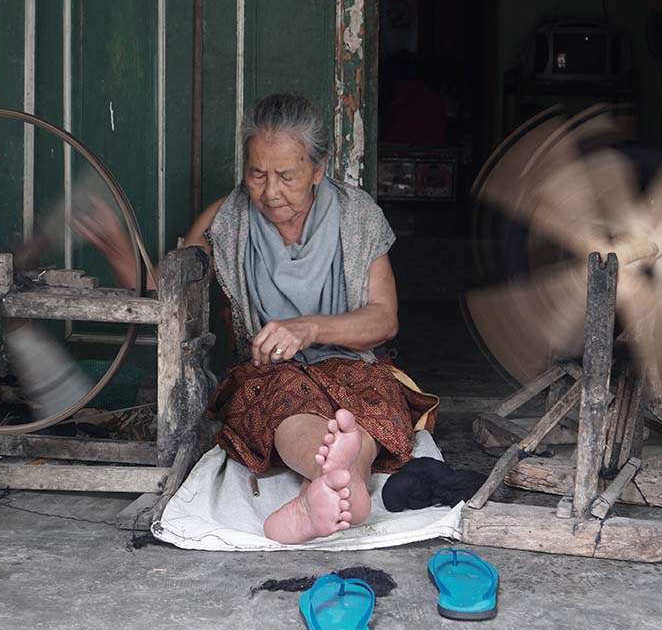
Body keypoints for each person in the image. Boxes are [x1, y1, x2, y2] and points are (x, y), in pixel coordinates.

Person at [76, 93, 437, 544]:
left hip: (353, 365)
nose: (269, 192)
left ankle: (336, 480)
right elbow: (165, 294)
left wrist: (308, 327)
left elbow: (384, 319)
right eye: (257, 174)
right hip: (270, 373)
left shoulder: (357, 216)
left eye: (286, 176)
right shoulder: (228, 220)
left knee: (368, 402)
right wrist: (115, 247)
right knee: (284, 401)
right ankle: (336, 475)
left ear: (318, 170)